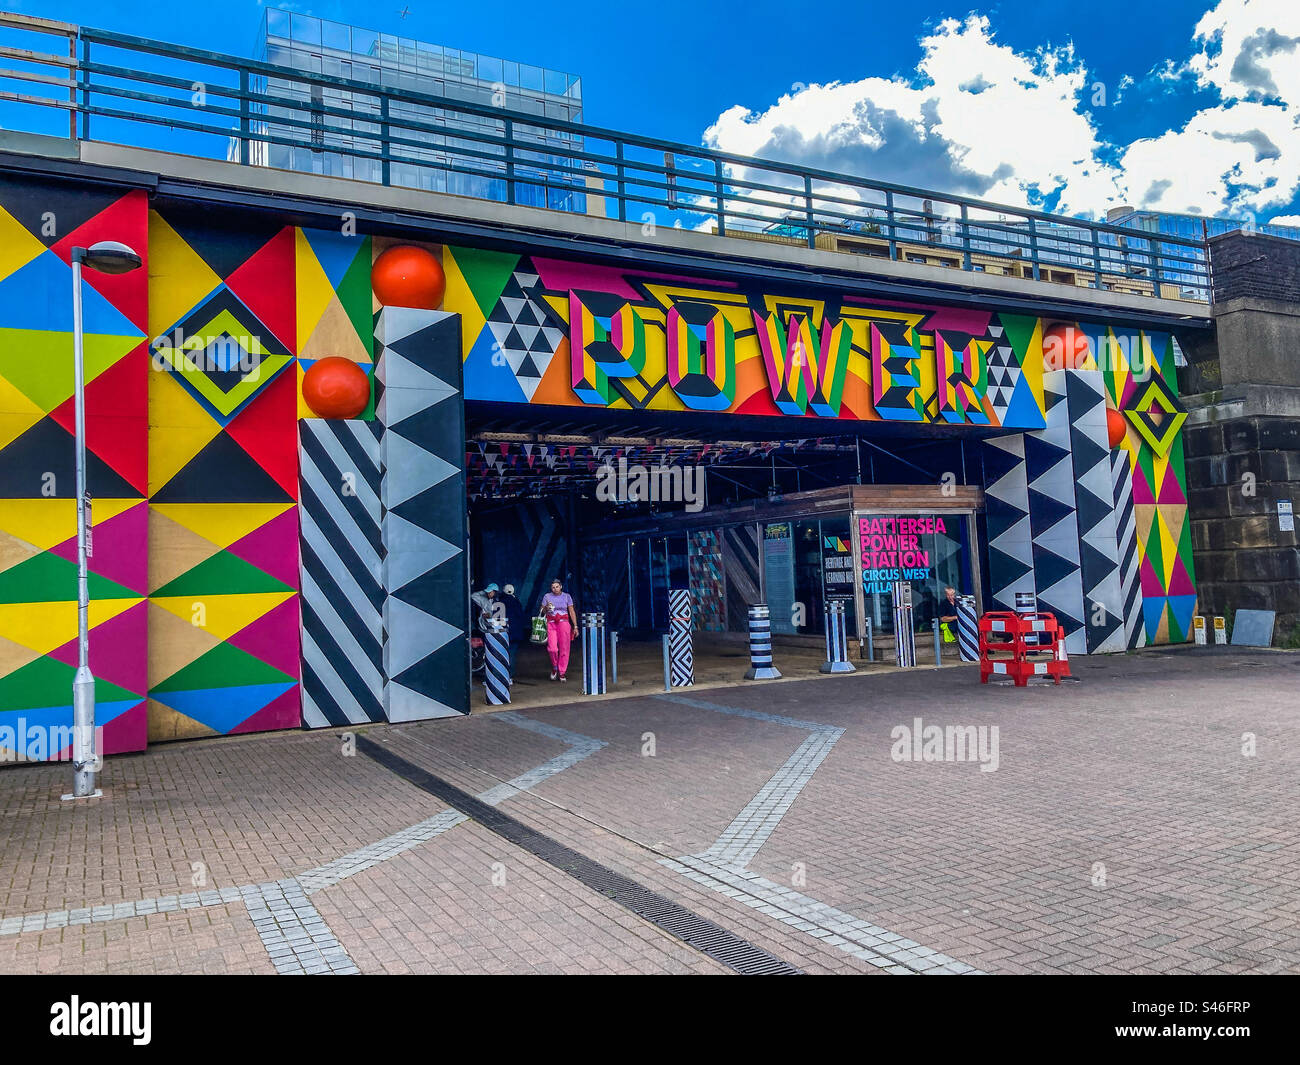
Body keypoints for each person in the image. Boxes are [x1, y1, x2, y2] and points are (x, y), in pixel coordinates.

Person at [539, 578, 577, 682]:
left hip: (564, 623)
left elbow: (571, 611)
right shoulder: (547, 596)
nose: (555, 589)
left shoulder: (566, 596)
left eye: (557, 587)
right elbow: (541, 611)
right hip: (551, 623)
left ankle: (562, 672)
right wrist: (546, 607)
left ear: (561, 587)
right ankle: (555, 667)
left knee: (564, 648)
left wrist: (575, 626)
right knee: (552, 648)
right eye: (553, 587)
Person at [500, 583, 525, 680]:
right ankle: (509, 674)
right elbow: (521, 616)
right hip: (515, 632)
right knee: (512, 653)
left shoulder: (500, 602)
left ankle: (502, 673)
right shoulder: (516, 602)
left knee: (502, 652)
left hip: (503, 631)